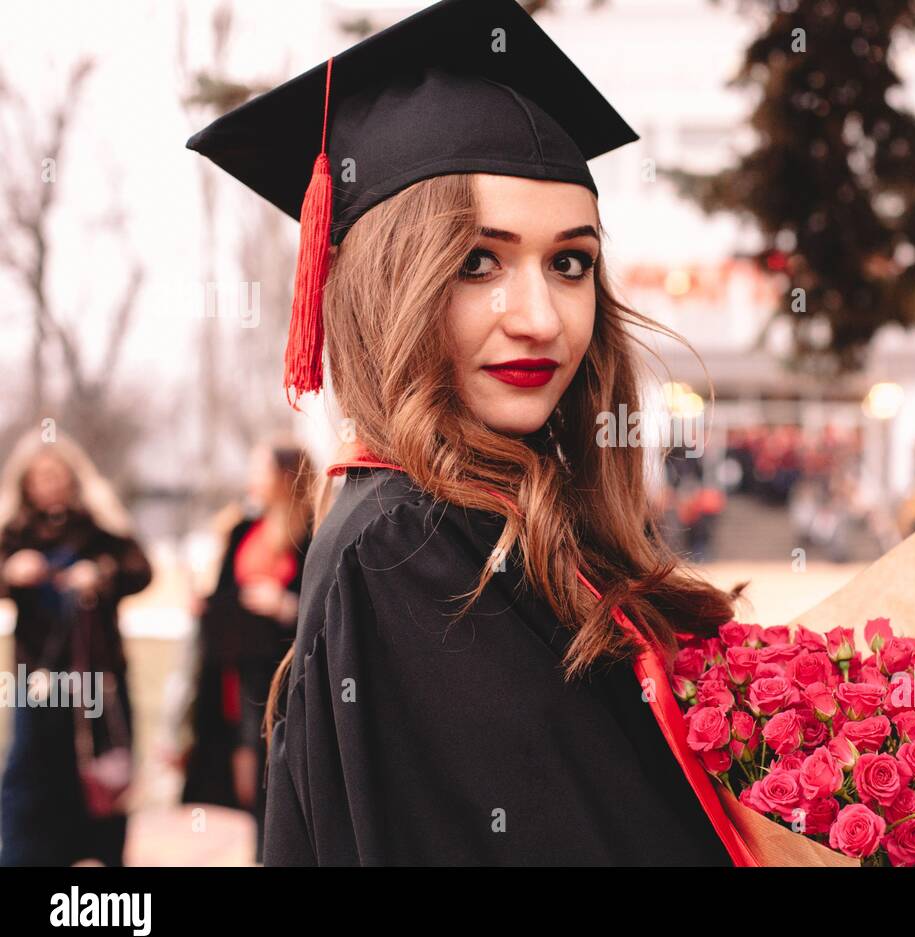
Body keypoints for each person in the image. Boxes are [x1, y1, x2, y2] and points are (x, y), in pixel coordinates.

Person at [187, 0, 753, 865]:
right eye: (475, 261)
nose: (538, 318)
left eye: (570, 262)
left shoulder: (493, 520)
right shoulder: (410, 546)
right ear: (389, 286)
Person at [0, 429, 152, 865]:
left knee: (100, 769)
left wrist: (100, 575)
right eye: (39, 477)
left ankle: (98, 858)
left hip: (98, 677)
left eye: (56, 474)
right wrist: (13, 572)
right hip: (40, 679)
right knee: (32, 770)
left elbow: (140, 570)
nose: (49, 484)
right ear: (26, 484)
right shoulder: (16, 532)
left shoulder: (98, 528)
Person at [180, 442, 313, 863]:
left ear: (287, 476)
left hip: (284, 669)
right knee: (247, 763)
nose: (253, 479)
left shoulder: (311, 531)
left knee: (280, 766)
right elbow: (226, 590)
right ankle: (261, 848)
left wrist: (285, 604)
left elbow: (317, 600)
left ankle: (278, 848)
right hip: (239, 669)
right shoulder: (243, 528)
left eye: (262, 469)